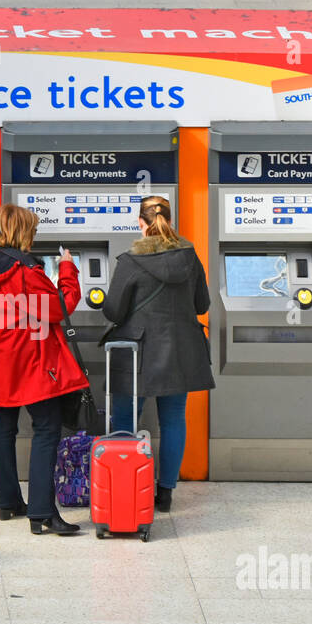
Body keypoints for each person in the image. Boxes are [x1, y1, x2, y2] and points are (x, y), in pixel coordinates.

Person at [0, 205, 88, 536]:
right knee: (47, 428)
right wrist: (67, 269)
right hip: (27, 361)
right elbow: (61, 307)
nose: (34, 238)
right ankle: (43, 513)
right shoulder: (24, 271)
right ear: (22, 232)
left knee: (4, 423)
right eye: (32, 231)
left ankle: (8, 503)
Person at [100, 196, 214, 513]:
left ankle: (124, 485)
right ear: (169, 220)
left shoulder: (130, 261)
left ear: (141, 222)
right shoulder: (189, 258)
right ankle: (165, 493)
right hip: (178, 349)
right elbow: (202, 305)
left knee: (125, 420)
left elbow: (113, 310)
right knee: (173, 420)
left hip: (134, 352)